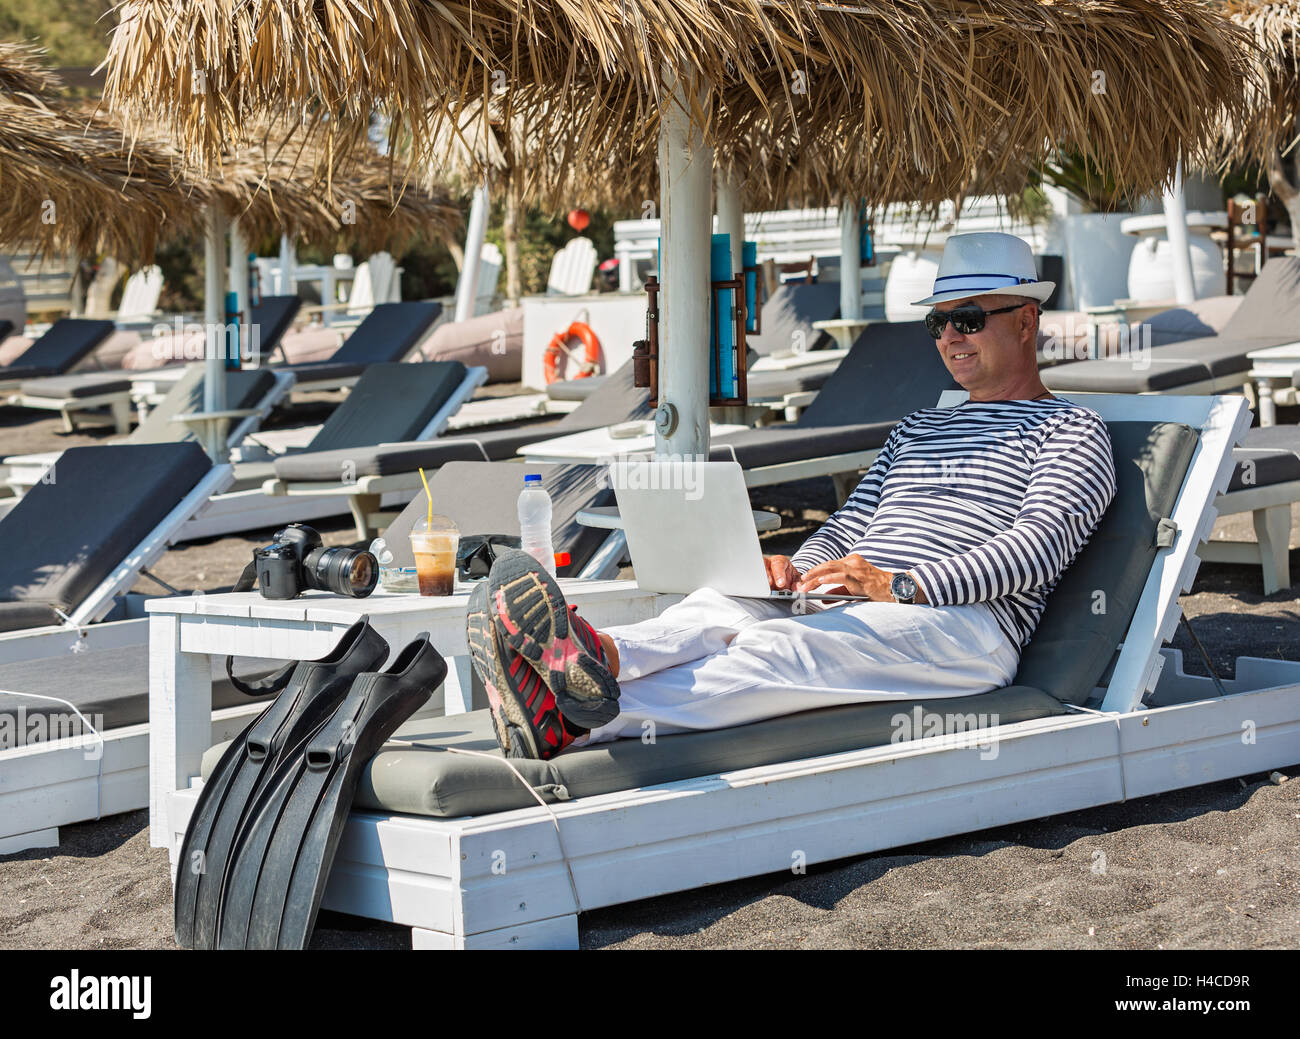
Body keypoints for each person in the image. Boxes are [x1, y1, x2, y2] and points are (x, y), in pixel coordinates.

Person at [466, 232, 1118, 761]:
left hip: (964, 628)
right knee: (720, 604)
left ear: (1027, 321)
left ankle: (577, 722)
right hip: (864, 599)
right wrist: (797, 567)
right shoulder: (921, 426)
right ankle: (595, 655)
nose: (950, 336)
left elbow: (1037, 549)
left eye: (968, 319)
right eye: (939, 322)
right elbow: (852, 522)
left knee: (780, 651)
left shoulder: (1070, 430)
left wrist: (902, 584)